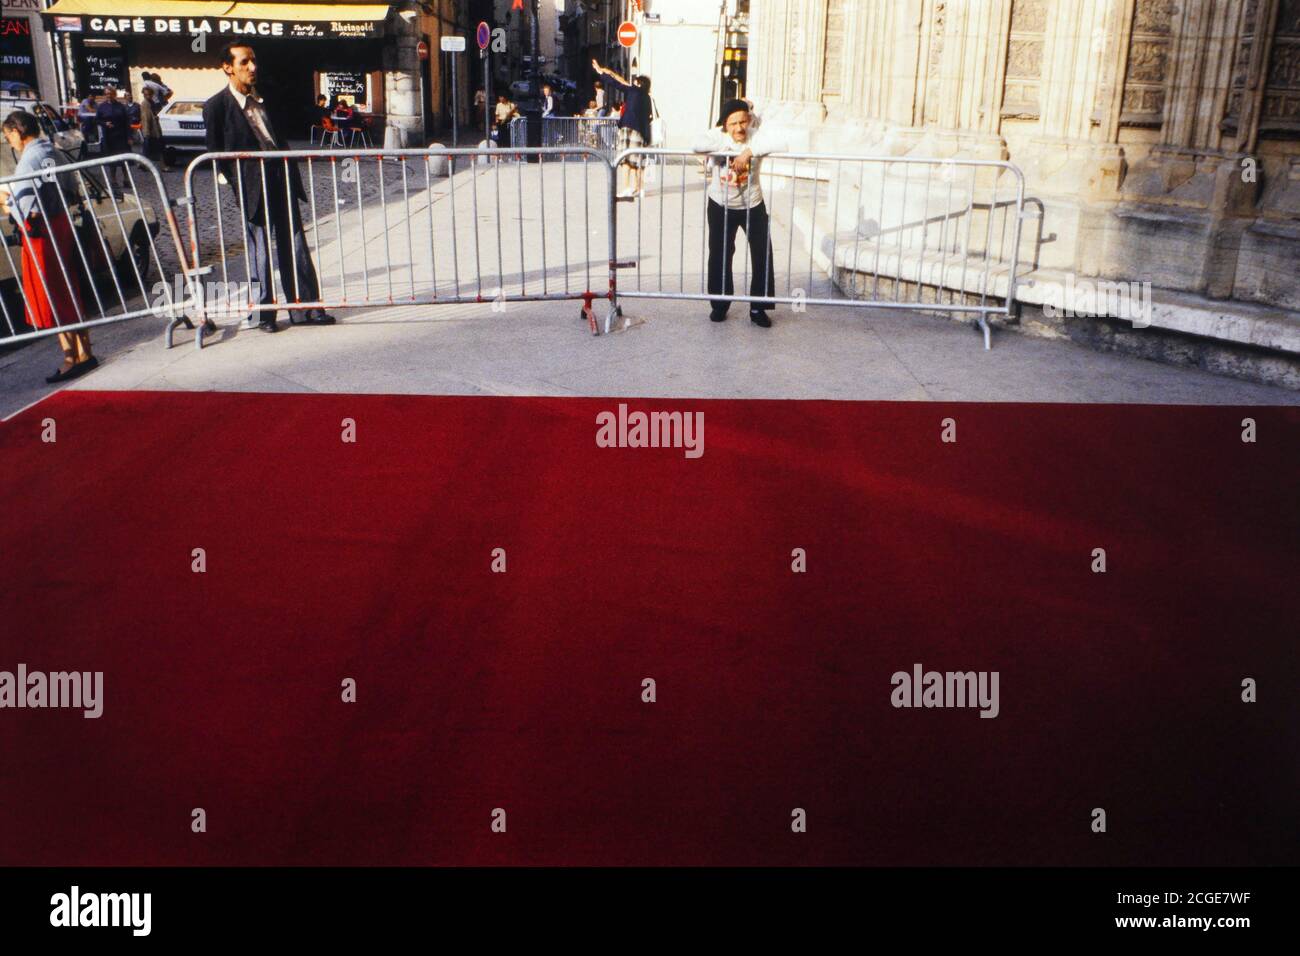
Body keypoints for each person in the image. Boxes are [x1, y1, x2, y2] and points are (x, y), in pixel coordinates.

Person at [203, 41, 335, 332]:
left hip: (281, 176)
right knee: (259, 250)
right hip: (253, 185)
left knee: (296, 244)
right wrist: (238, 185)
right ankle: (264, 315)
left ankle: (306, 309)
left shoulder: (267, 97)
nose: (253, 67)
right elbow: (216, 154)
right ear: (227, 67)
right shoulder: (216, 107)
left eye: (254, 61)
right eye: (244, 63)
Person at [0, 111, 96, 382]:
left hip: (42, 233)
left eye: (9, 136)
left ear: (18, 132)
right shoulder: (53, 151)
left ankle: (71, 358)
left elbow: (25, 209)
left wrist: (5, 201)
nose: (9, 142)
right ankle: (83, 352)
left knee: (52, 295)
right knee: (68, 289)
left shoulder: (29, 159)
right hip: (59, 225)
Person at [692, 99, 786, 328]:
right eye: (733, 123)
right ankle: (720, 304)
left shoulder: (756, 135)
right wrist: (725, 150)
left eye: (743, 121)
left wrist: (748, 152)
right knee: (720, 254)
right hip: (720, 205)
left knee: (762, 254)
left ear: (750, 120)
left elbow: (782, 142)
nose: (739, 128)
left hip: (753, 204)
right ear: (725, 124)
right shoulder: (718, 135)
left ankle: (758, 308)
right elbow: (696, 145)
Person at [591, 59, 652, 198]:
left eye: (636, 81)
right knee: (638, 161)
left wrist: (601, 72)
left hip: (628, 128)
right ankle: (640, 189)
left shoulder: (632, 91)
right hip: (641, 131)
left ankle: (626, 188)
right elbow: (648, 117)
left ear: (638, 83)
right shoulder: (647, 98)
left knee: (625, 160)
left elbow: (616, 83)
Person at [94, 86, 131, 195]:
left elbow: (126, 122)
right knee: (112, 160)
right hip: (109, 136)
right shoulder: (102, 107)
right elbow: (97, 120)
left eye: (110, 93)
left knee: (124, 159)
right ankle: (113, 180)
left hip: (121, 135)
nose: (108, 95)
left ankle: (126, 179)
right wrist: (105, 124)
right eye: (106, 94)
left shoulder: (121, 106)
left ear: (114, 94)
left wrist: (129, 137)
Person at [138, 86, 163, 166]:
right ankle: (162, 166)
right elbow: (145, 118)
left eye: (149, 94)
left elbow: (153, 114)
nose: (148, 96)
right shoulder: (145, 103)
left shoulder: (151, 102)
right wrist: (146, 132)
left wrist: (155, 117)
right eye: (146, 95)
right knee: (151, 149)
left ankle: (142, 164)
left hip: (153, 129)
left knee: (150, 149)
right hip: (149, 130)